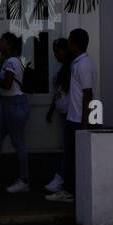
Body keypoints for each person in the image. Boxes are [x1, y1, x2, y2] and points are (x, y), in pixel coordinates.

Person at [49, 28, 95, 204]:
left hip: (77, 119)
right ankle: (71, 191)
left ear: (75, 43)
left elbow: (88, 93)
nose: (67, 43)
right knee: (71, 156)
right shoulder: (78, 63)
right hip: (74, 117)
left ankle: (69, 192)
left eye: (69, 40)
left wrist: (85, 123)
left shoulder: (83, 64)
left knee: (72, 156)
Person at [0, 32, 31, 194]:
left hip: (15, 106)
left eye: (2, 41)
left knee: (18, 142)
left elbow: (6, 85)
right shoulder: (8, 60)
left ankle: (24, 180)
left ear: (9, 45)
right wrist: (1, 57)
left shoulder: (12, 61)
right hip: (7, 106)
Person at [43, 37, 71, 194]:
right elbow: (58, 93)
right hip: (63, 112)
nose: (55, 55)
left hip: (70, 114)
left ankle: (61, 178)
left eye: (57, 51)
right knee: (66, 146)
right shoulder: (63, 69)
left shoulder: (72, 68)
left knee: (67, 147)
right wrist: (52, 109)